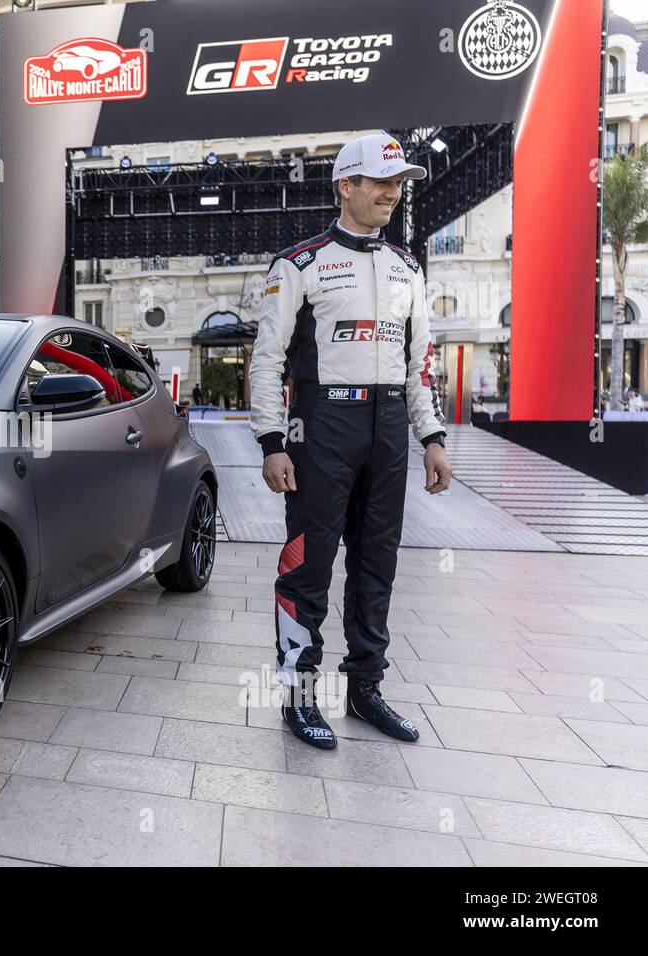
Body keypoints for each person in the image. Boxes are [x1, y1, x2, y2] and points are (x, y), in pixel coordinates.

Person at [249, 133, 452, 751]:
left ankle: (365, 690)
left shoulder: (407, 268)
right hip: (322, 427)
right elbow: (266, 359)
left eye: (399, 183)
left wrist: (432, 437)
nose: (393, 193)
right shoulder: (298, 264)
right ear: (346, 185)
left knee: (376, 566)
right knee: (307, 564)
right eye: (381, 181)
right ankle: (299, 695)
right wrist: (270, 441)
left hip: (388, 428)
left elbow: (420, 364)